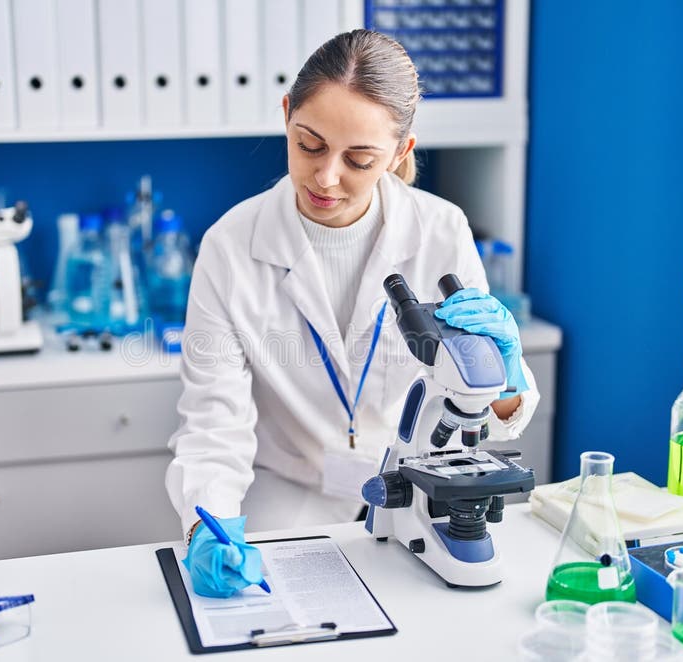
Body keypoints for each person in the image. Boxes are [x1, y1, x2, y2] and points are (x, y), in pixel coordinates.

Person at [166, 29, 540, 597]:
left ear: (399, 154)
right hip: (284, 503)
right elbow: (213, 423)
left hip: (416, 492)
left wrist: (505, 375)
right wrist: (207, 526)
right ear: (287, 114)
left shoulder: (441, 231)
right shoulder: (230, 246)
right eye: (309, 145)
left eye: (360, 159)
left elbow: (482, 407)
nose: (327, 177)